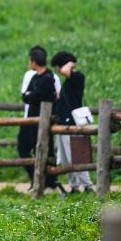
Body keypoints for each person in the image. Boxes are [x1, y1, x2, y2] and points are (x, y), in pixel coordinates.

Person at [19, 46, 64, 196]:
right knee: (26, 148)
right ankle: (37, 179)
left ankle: (49, 182)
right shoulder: (33, 77)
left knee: (46, 149)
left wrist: (33, 95)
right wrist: (33, 95)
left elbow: (46, 95)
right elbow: (25, 96)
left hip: (43, 119)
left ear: (34, 61)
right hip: (30, 118)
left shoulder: (49, 77)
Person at [52, 51, 94, 194]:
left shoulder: (77, 77)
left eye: (58, 66)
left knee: (77, 156)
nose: (58, 69)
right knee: (66, 158)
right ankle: (74, 186)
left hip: (73, 123)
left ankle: (88, 185)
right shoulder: (70, 80)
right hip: (64, 123)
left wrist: (71, 62)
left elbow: (64, 70)